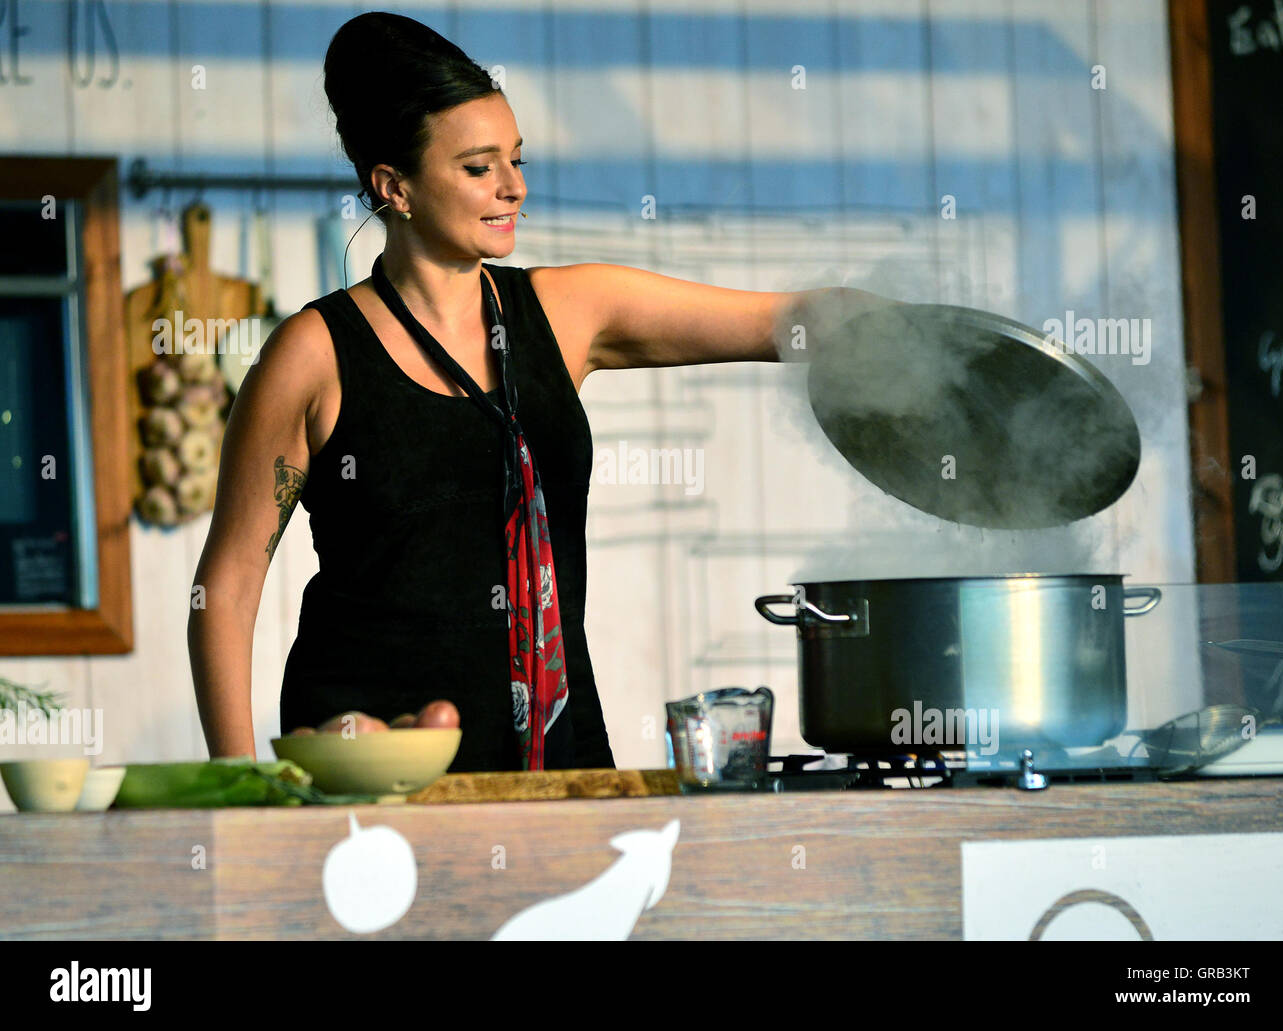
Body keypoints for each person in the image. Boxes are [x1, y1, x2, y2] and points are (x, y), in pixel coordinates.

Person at [188, 11, 837, 772]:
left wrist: (913, 335)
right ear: (394, 186)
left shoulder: (566, 314)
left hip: (555, 759)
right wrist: (237, 790)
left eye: (516, 159)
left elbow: (779, 324)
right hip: (367, 765)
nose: (513, 187)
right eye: (478, 167)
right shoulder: (312, 354)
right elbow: (226, 589)